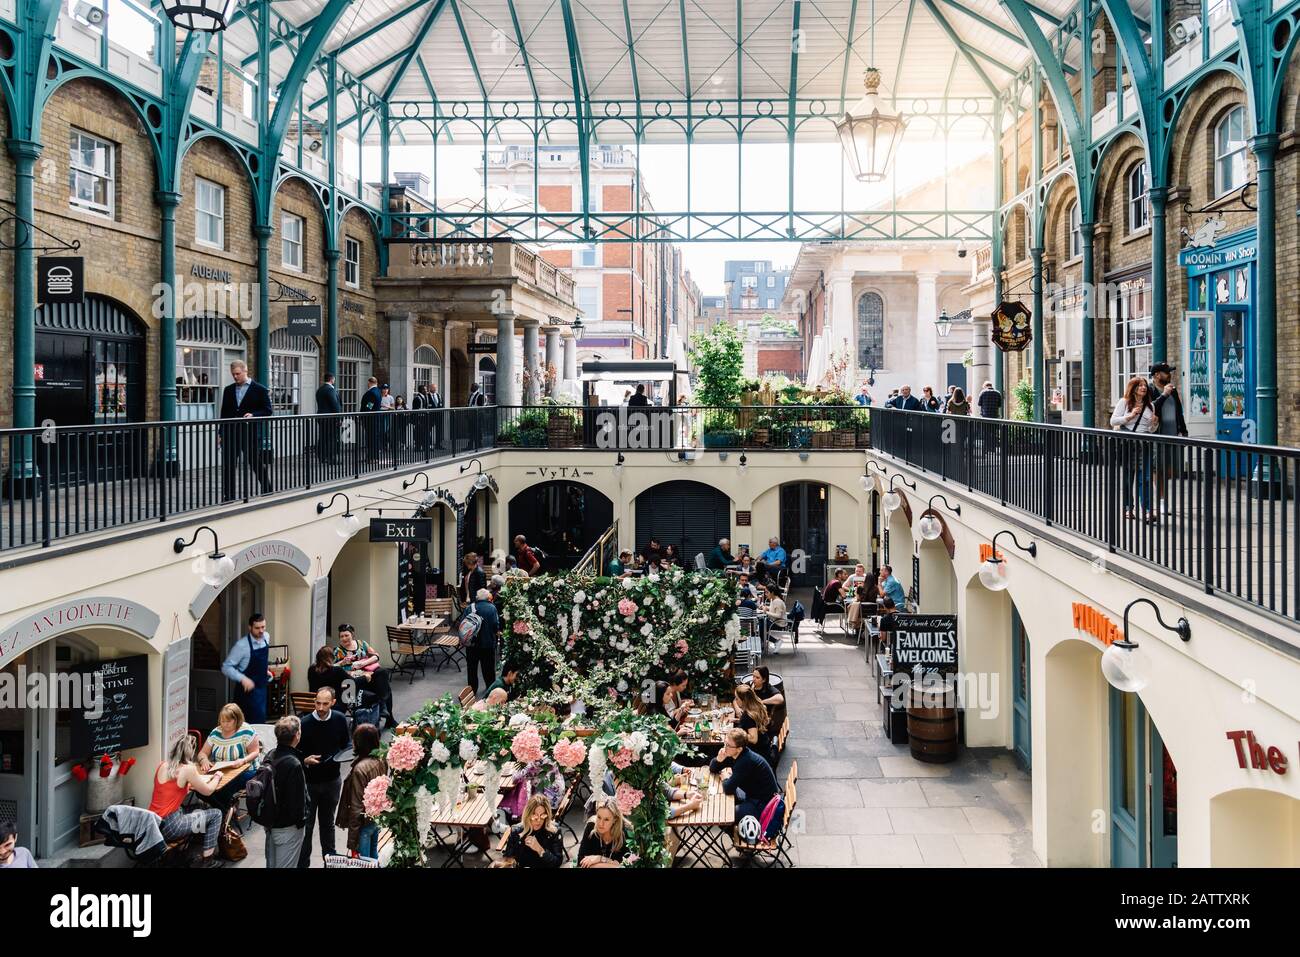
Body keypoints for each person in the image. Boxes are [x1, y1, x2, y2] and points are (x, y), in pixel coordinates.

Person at [148, 735, 225, 867]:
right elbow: (208, 790)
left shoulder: (162, 765)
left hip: (153, 823)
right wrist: (217, 777)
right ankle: (208, 861)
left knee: (200, 807)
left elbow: (172, 788)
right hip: (171, 826)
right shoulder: (188, 769)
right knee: (216, 814)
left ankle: (186, 850)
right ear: (191, 753)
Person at [297, 687, 351, 867]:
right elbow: (294, 753)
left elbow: (347, 745)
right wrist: (305, 760)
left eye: (325, 704)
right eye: (317, 703)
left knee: (327, 824)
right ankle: (303, 864)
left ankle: (330, 862)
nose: (320, 707)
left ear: (333, 703)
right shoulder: (304, 723)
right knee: (307, 827)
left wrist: (343, 756)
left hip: (331, 781)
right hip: (309, 783)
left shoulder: (339, 719)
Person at [218, 359, 273, 501]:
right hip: (230, 433)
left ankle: (267, 489)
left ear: (245, 371)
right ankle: (228, 496)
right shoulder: (228, 390)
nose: (235, 377)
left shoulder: (259, 389)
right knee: (228, 465)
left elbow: (268, 410)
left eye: (237, 373)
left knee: (255, 462)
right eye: (233, 374)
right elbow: (224, 413)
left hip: (249, 433)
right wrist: (220, 433)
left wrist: (254, 414)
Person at [708, 729, 780, 828]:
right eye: (725, 743)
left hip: (762, 804)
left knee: (724, 816)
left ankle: (738, 835)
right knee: (726, 804)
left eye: (728, 745)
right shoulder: (733, 754)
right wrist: (718, 759)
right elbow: (712, 769)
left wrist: (725, 778)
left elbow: (728, 788)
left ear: (739, 749)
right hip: (751, 795)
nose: (725, 747)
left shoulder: (745, 761)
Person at [1111, 375, 1160, 523]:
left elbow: (1151, 430)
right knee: (1127, 478)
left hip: (1144, 444)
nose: (1143, 387)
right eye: (1139, 385)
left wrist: (1154, 424)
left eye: (1144, 385)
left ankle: (1147, 510)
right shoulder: (1124, 402)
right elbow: (1113, 420)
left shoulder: (1151, 406)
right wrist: (1130, 416)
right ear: (1133, 388)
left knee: (1145, 478)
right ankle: (1128, 508)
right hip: (1128, 444)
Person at [263, 715, 309, 868]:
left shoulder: (270, 755)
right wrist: (301, 822)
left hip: (270, 823)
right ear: (297, 735)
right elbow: (297, 801)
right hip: (288, 828)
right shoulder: (293, 763)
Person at [197, 702, 261, 811]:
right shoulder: (215, 733)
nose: (225, 724)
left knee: (222, 789)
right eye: (222, 721)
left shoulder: (246, 731)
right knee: (199, 789)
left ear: (237, 720)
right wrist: (204, 761)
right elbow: (202, 753)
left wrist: (243, 760)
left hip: (246, 770)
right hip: (221, 771)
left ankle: (224, 814)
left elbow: (256, 752)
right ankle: (224, 810)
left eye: (228, 721)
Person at [337, 723, 385, 860]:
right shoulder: (380, 759)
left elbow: (356, 807)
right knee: (373, 858)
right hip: (375, 819)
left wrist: (352, 842)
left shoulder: (360, 769)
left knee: (363, 862)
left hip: (363, 825)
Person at [333, 624, 395, 728]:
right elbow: (331, 668)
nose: (344, 638)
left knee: (382, 673)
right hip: (353, 683)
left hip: (368, 676)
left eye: (346, 635)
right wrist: (342, 663)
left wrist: (362, 664)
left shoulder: (362, 644)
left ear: (352, 635)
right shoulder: (338, 651)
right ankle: (383, 707)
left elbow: (376, 656)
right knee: (384, 687)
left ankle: (387, 713)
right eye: (341, 636)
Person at [1149, 362, 1187, 515]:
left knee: (1169, 471)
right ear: (1157, 375)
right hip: (1157, 435)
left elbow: (1179, 411)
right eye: (1166, 372)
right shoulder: (1150, 390)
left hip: (1172, 434)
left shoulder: (1173, 390)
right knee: (1157, 469)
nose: (1169, 374)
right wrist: (1164, 395)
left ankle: (1162, 499)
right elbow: (1151, 409)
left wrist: (1183, 430)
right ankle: (1161, 502)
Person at [221, 612, 274, 724]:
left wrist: (264, 669)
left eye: (263, 627)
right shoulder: (242, 646)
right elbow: (226, 667)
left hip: (262, 689)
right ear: (250, 627)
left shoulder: (266, 637)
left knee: (261, 723)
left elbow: (260, 661)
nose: (261, 631)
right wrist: (243, 679)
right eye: (257, 628)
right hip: (247, 695)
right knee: (246, 725)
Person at [498, 794, 564, 868]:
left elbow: (557, 862)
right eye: (534, 816)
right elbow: (508, 859)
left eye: (542, 816)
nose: (538, 820)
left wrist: (540, 850)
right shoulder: (517, 831)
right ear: (528, 815)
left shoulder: (554, 831)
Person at [467, 588, 501, 695]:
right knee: (489, 669)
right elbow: (495, 625)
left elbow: (463, 625)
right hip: (487, 644)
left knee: (472, 669)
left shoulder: (470, 608)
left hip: (472, 644)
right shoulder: (492, 608)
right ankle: (490, 689)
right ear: (488, 598)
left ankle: (472, 690)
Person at [577, 799, 628, 867]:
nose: (601, 823)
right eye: (599, 817)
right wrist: (611, 863)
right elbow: (581, 861)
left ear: (615, 820)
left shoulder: (624, 832)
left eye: (606, 819)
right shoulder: (591, 826)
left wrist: (600, 859)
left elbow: (626, 864)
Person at [732, 684, 773, 759]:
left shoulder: (748, 716)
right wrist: (737, 720)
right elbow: (751, 724)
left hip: (757, 753)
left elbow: (754, 739)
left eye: (737, 698)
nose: (735, 700)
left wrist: (737, 732)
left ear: (744, 701)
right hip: (765, 746)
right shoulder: (755, 707)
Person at [315, 372, 342, 463]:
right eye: (334, 379)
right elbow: (335, 405)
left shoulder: (320, 389)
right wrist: (339, 418)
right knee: (332, 438)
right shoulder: (330, 390)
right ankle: (331, 458)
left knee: (323, 437)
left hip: (321, 417)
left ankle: (322, 456)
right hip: (330, 418)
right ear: (331, 379)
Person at [359, 376, 383, 460]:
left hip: (370, 419)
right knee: (374, 438)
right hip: (375, 418)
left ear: (369, 382)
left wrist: (363, 414)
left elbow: (369, 406)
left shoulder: (371, 392)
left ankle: (372, 457)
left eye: (367, 383)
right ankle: (373, 457)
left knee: (371, 438)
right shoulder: (378, 391)